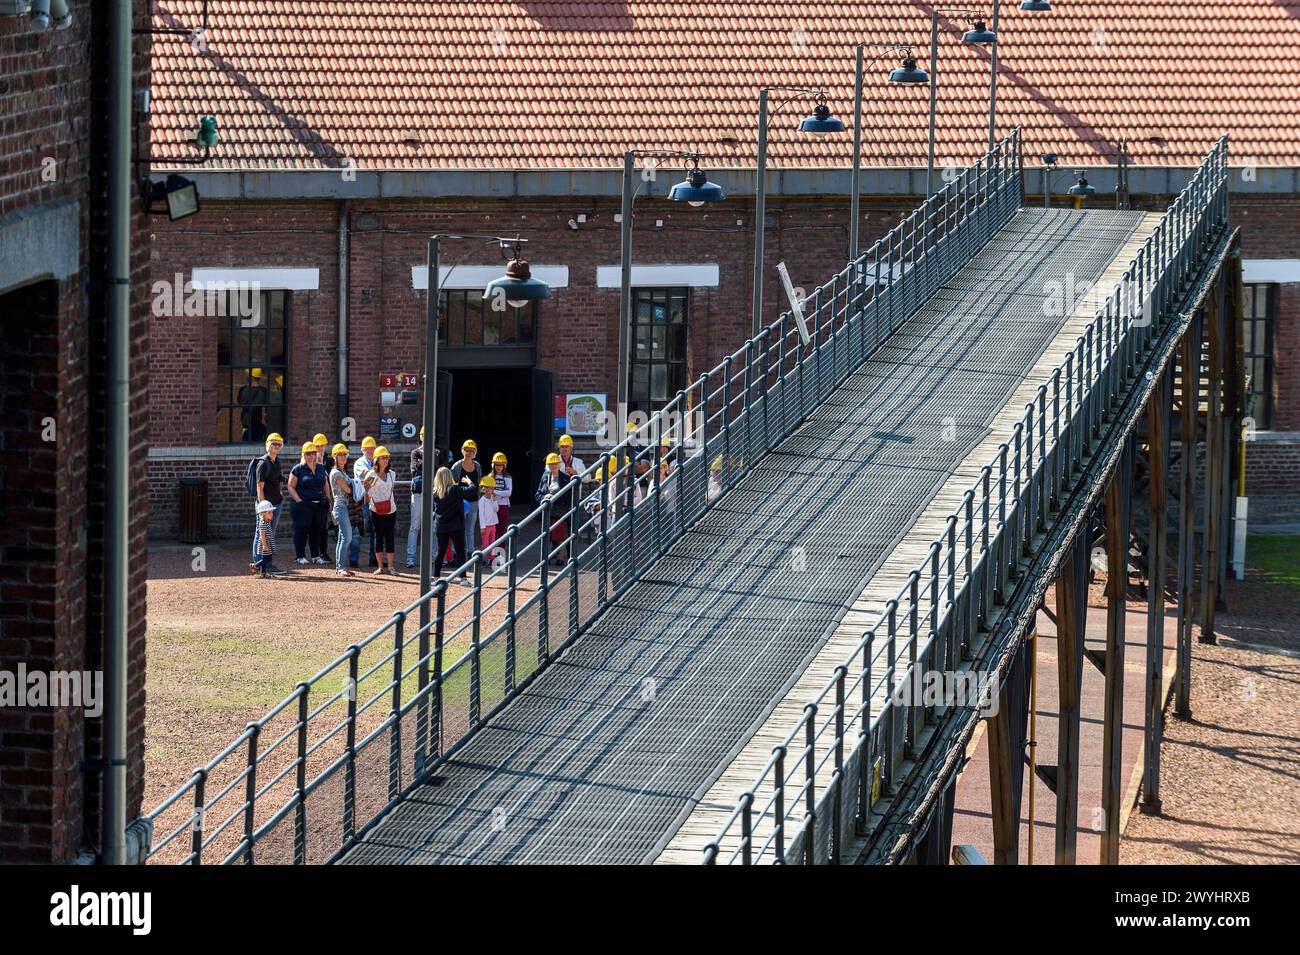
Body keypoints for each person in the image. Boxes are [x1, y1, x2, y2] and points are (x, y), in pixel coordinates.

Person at [431, 467, 479, 586]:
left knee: (440, 552)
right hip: (456, 526)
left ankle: (435, 576)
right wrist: (469, 482)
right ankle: (463, 579)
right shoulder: (455, 489)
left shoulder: (435, 493)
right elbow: (472, 490)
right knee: (460, 552)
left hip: (441, 526)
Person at [287, 442, 329, 565]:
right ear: (303, 455)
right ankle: (300, 556)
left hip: (319, 505)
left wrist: (327, 498)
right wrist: (298, 500)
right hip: (302, 505)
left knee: (316, 531)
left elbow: (325, 484)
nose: (311, 456)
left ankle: (315, 556)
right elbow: (290, 486)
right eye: (308, 453)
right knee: (301, 531)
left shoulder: (321, 468)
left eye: (313, 453)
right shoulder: (298, 469)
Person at [251, 432, 286, 574]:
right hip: (266, 507)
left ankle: (266, 563)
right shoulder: (263, 463)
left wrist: (281, 493)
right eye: (274, 443)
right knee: (261, 533)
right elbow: (260, 486)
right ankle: (259, 563)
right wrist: (262, 508)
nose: (277, 446)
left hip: (276, 503)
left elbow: (277, 480)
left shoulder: (276, 461)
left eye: (279, 444)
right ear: (267, 445)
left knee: (270, 534)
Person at [536, 452, 578, 566]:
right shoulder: (545, 477)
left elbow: (570, 497)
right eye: (551, 464)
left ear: (559, 465)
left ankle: (561, 556)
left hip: (561, 511)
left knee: (561, 535)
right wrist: (544, 497)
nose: (553, 466)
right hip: (548, 511)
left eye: (555, 464)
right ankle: (550, 556)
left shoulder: (566, 478)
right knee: (550, 536)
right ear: (547, 465)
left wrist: (556, 497)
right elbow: (538, 494)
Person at [364, 446, 399, 575]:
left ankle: (390, 566)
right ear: (376, 460)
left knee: (390, 537)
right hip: (376, 510)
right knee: (378, 537)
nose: (386, 459)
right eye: (383, 457)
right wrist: (368, 495)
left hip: (391, 509)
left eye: (387, 457)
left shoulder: (392, 474)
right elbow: (367, 493)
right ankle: (380, 566)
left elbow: (391, 489)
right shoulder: (372, 474)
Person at [350, 436, 379, 568]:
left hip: (376, 500)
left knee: (375, 531)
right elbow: (367, 477)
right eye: (367, 449)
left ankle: (374, 559)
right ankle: (353, 559)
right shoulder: (359, 463)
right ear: (362, 450)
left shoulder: (377, 461)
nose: (370, 451)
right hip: (362, 501)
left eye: (372, 449)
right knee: (358, 531)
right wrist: (378, 471)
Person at [451, 439, 482, 559]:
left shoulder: (477, 466)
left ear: (475, 452)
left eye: (471, 451)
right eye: (466, 450)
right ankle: (457, 551)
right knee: (459, 528)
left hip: (474, 501)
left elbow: (479, 483)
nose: (468, 453)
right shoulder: (456, 466)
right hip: (460, 502)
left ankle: (471, 551)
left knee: (470, 529)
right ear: (462, 451)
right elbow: (453, 484)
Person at [328, 443, 355, 577]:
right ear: (335, 457)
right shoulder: (336, 473)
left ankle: (340, 566)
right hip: (340, 507)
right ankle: (341, 567)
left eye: (345, 454)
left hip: (343, 507)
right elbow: (348, 489)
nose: (343, 457)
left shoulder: (343, 472)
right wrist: (358, 486)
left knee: (342, 538)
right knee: (347, 537)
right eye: (340, 455)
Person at [405, 426, 425, 569]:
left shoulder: (437, 452)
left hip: (434, 492)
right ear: (420, 436)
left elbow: (439, 470)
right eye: (424, 434)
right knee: (415, 526)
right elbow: (416, 469)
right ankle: (410, 558)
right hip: (418, 493)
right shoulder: (415, 452)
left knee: (433, 527)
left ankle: (434, 557)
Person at [312, 433, 332, 557]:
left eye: (322, 446)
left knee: (324, 526)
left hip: (326, 496)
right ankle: (315, 552)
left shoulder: (330, 460)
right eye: (317, 446)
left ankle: (323, 552)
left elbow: (331, 477)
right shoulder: (309, 459)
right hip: (314, 497)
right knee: (314, 526)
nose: (319, 448)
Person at [477, 473, 500, 562]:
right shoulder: (481, 501)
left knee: (492, 542)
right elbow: (481, 514)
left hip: (493, 524)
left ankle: (491, 558)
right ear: (485, 488)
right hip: (486, 526)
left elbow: (496, 509)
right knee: (485, 544)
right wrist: (482, 527)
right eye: (491, 488)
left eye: (493, 488)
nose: (493, 490)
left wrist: (494, 501)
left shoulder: (492, 498)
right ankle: (484, 558)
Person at [489, 452, 512, 532]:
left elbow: (509, 493)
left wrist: (494, 491)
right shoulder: (489, 476)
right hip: (491, 504)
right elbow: (486, 491)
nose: (498, 467)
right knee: (492, 529)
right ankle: (493, 545)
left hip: (503, 505)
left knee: (502, 529)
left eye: (500, 465)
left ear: (504, 465)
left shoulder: (507, 477)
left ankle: (501, 545)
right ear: (493, 465)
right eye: (496, 464)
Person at [253, 500, 276, 577]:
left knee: (266, 558)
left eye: (272, 512)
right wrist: (265, 545)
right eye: (269, 513)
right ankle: (255, 566)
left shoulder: (267, 522)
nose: (271, 514)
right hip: (265, 543)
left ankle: (263, 573)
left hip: (267, 543)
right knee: (267, 558)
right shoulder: (263, 523)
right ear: (263, 514)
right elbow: (262, 535)